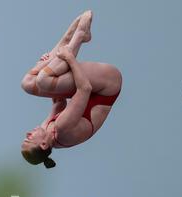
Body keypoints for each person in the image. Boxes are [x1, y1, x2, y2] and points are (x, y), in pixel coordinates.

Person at [21, 11, 122, 169]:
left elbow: (58, 101)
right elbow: (84, 88)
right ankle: (80, 36)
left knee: (28, 84)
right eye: (29, 138)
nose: (27, 133)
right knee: (44, 80)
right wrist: (69, 58)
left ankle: (71, 38)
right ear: (42, 144)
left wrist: (44, 64)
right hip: (107, 84)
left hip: (90, 87)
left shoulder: (48, 130)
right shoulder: (62, 129)